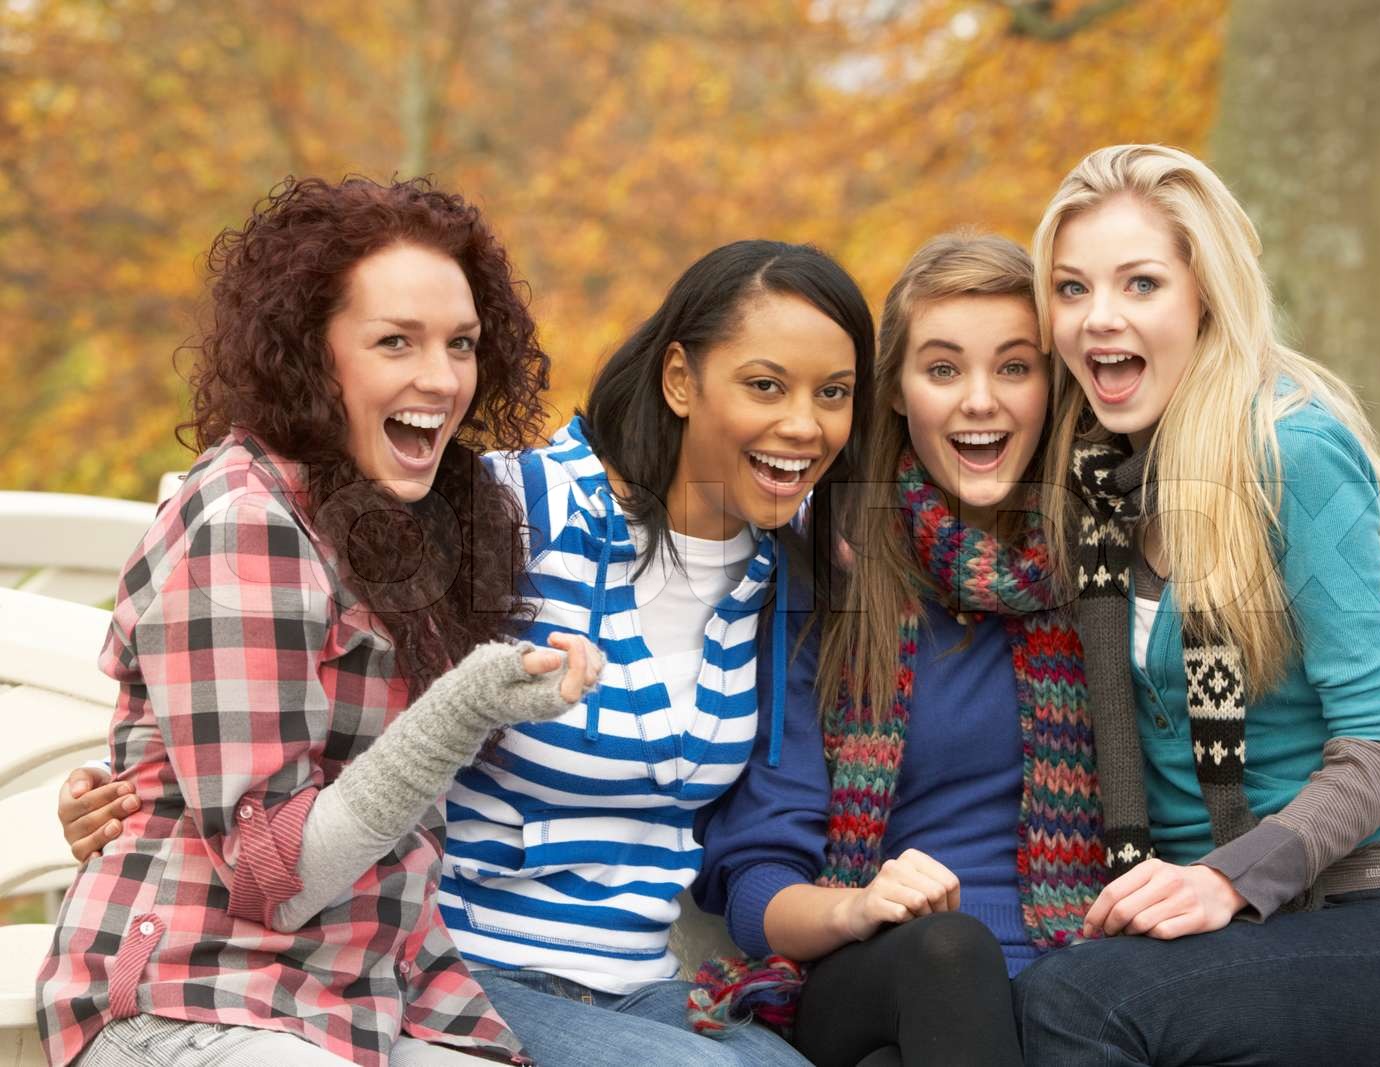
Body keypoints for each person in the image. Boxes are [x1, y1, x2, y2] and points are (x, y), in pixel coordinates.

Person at [61, 238, 872, 1067]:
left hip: (645, 979)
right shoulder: (518, 509)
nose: (803, 424)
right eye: (766, 385)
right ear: (679, 381)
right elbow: (240, 568)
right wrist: (130, 778)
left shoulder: (792, 576)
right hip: (462, 966)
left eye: (834, 393)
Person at [37, 176, 601, 1067]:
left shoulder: (405, 509)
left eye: (462, 344)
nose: (442, 377)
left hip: (358, 995)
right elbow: (275, 875)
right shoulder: (245, 522)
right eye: (395, 342)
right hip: (195, 996)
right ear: (312, 354)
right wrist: (467, 703)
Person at [1010, 142, 1380, 1065]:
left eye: (1141, 283)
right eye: (1071, 289)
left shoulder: (1292, 454)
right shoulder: (1092, 478)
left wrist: (1226, 881)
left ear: (1207, 294)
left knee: (1077, 1003)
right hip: (1225, 938)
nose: (1097, 318)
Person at [694, 233, 1062, 1067]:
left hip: (1070, 972)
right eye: (942, 369)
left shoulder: (1098, 579)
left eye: (1014, 366)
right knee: (950, 951)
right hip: (884, 968)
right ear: (894, 392)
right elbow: (756, 884)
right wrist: (860, 904)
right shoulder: (832, 581)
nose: (980, 401)